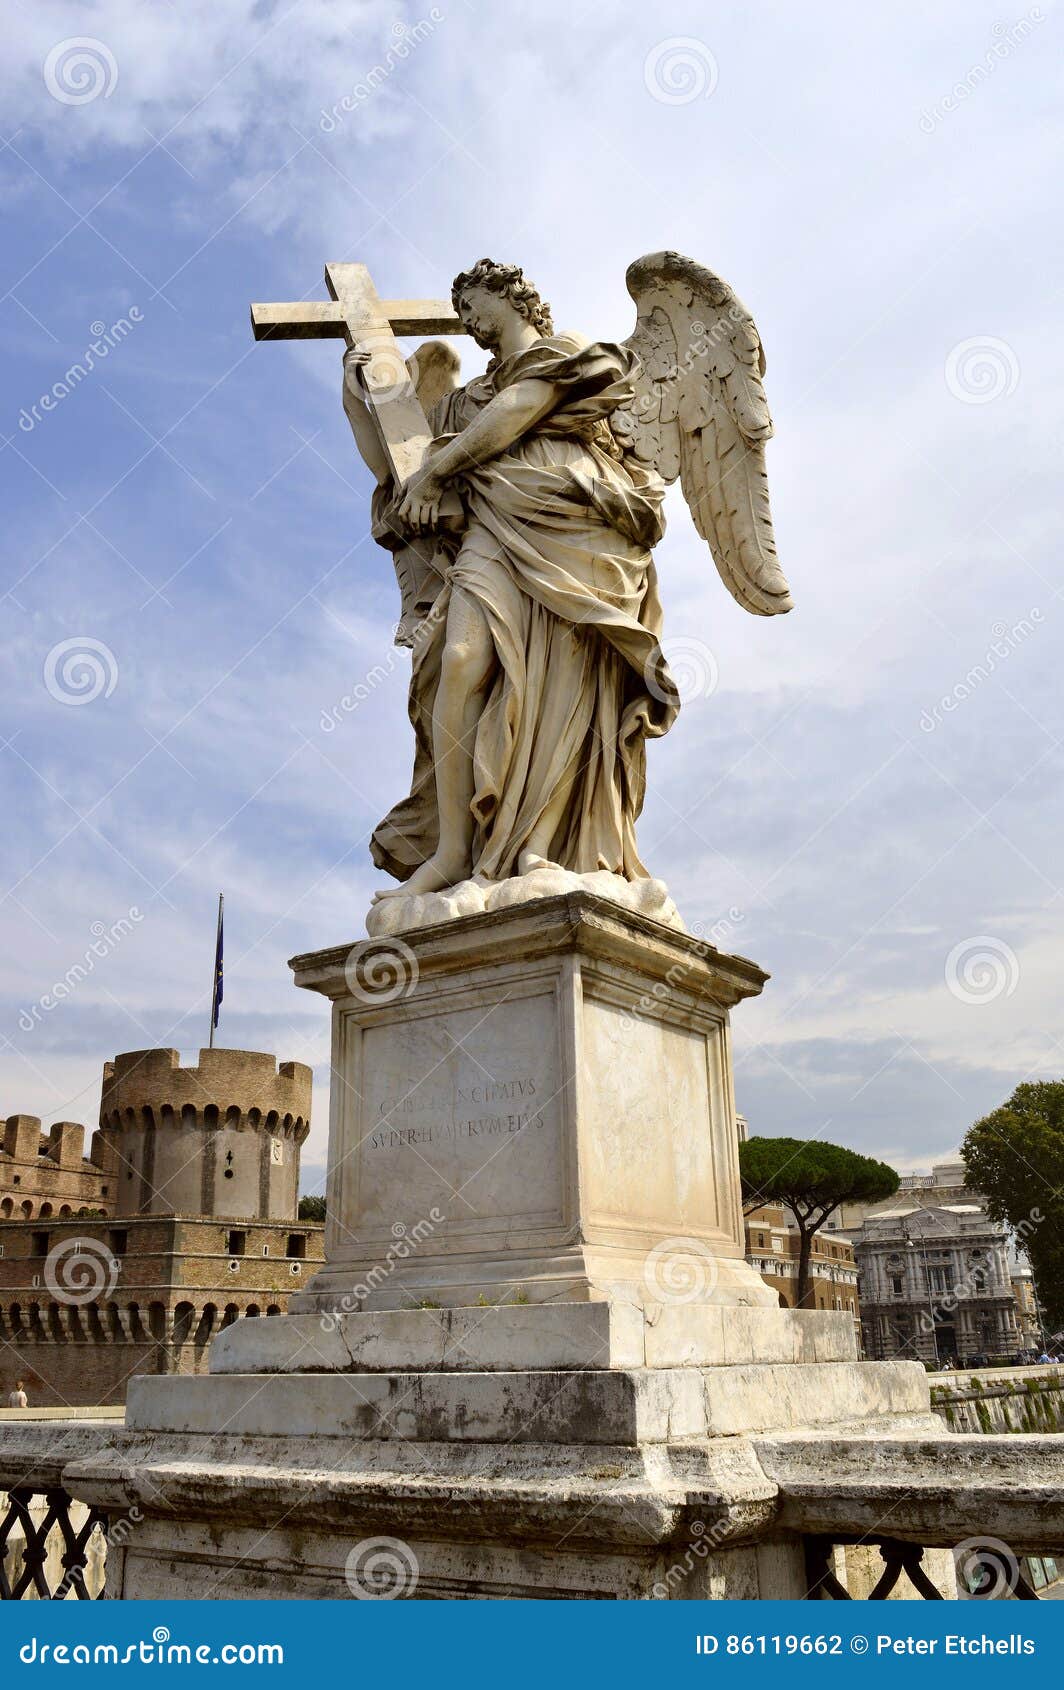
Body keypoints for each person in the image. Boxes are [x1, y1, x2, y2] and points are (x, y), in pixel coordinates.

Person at [345, 258, 680, 897]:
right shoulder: (466, 402)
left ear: (512, 296)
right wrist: (359, 401)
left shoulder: (570, 352)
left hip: (575, 519)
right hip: (494, 530)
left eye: (475, 303)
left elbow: (519, 411)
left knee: (566, 681)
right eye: (462, 310)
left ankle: (540, 846)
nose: (469, 320)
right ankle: (453, 850)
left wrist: (441, 472)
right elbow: (397, 473)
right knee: (459, 659)